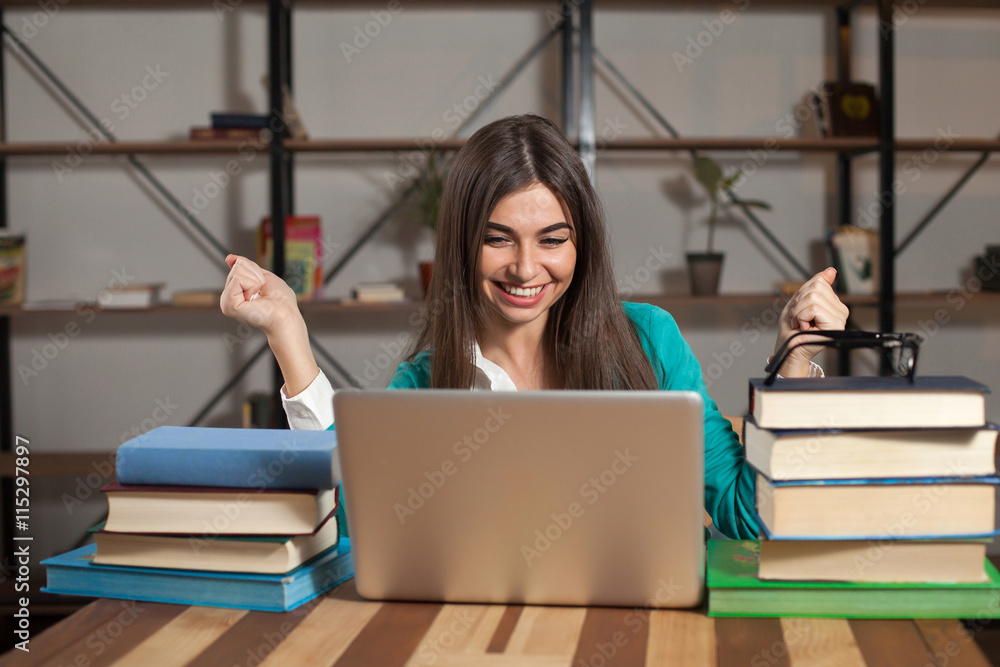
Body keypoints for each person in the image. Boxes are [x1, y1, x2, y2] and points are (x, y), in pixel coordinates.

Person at [221, 114, 849, 539]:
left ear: (583, 244)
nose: (527, 268)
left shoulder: (648, 341)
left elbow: (751, 514)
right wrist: (288, 335)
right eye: (498, 240)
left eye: (552, 240)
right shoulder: (425, 382)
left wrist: (800, 358)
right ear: (464, 246)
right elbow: (361, 529)